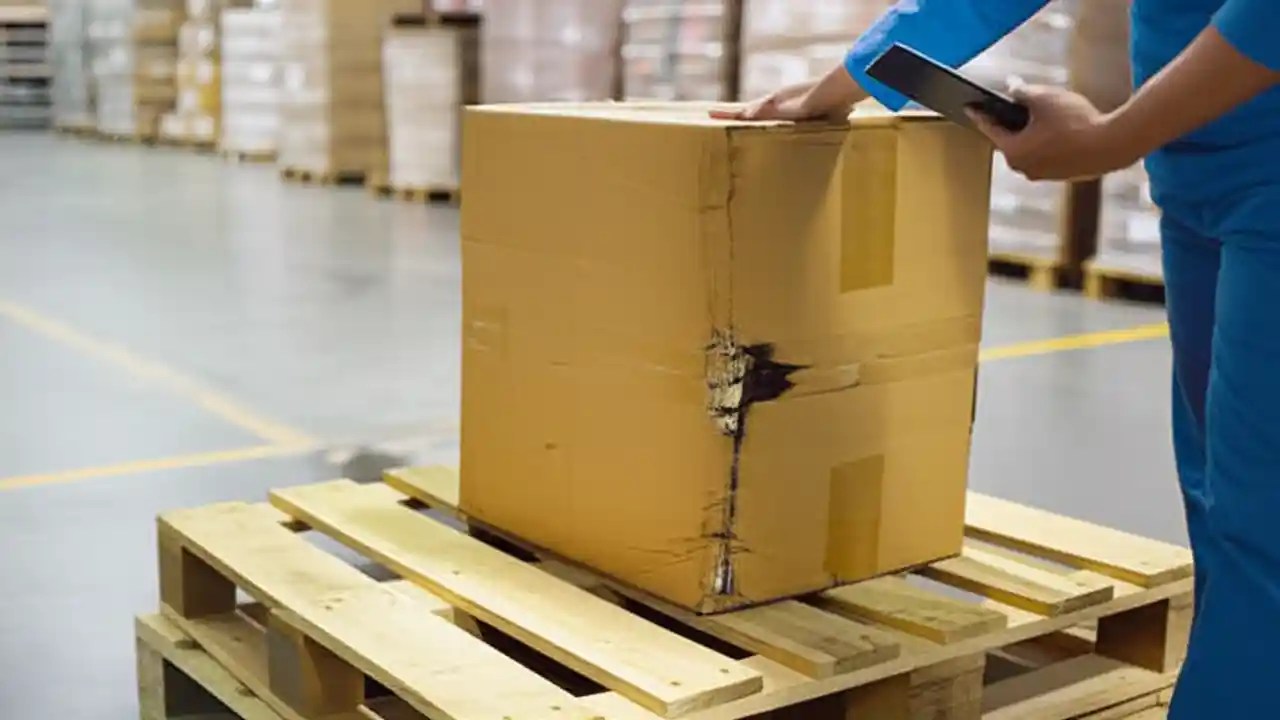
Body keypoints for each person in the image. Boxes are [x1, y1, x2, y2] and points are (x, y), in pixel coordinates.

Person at [715, 1, 1280, 716]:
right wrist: (844, 82)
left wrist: (1113, 138)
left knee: (1263, 521)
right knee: (1219, 500)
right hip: (1197, 175)